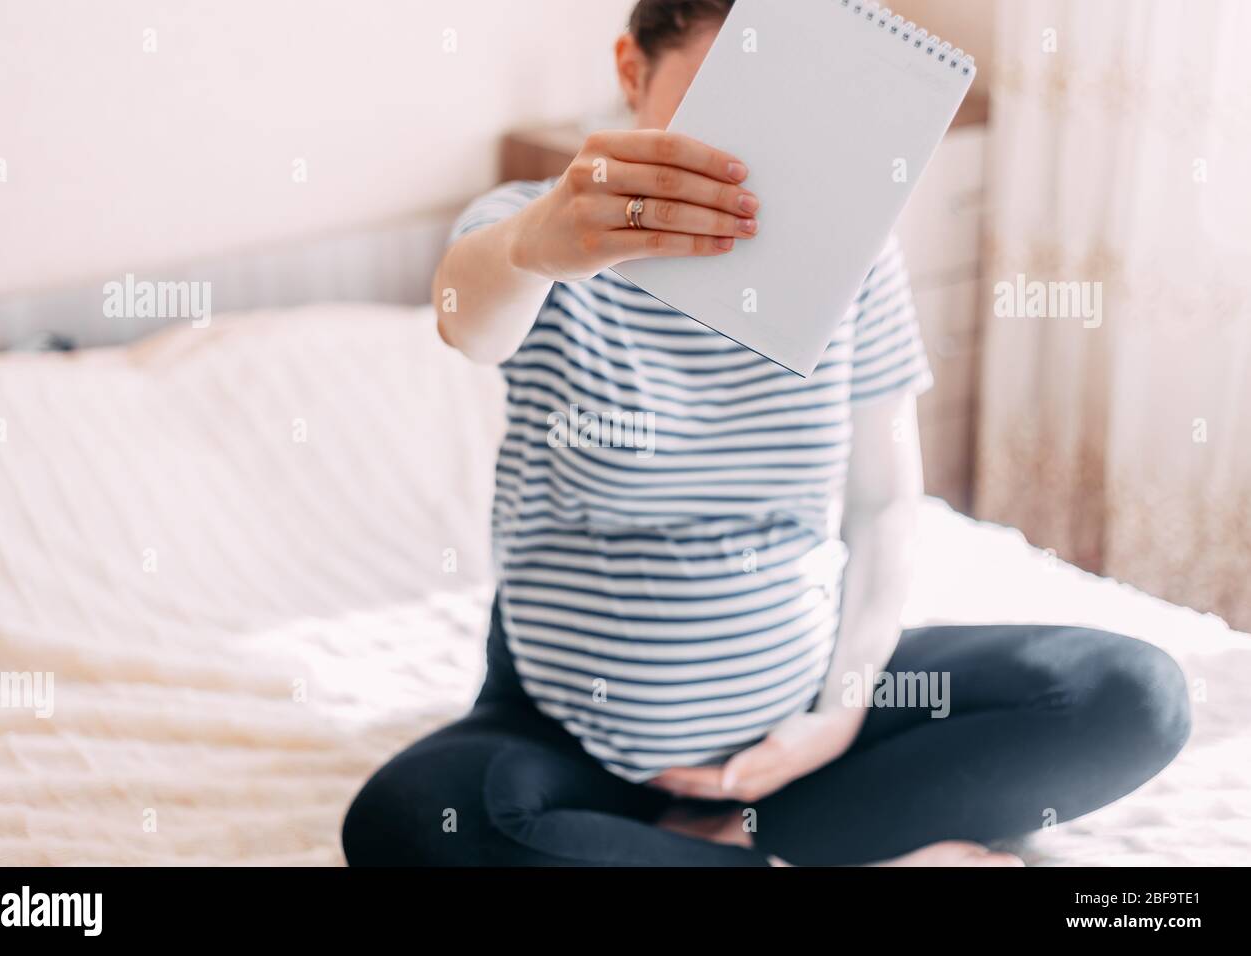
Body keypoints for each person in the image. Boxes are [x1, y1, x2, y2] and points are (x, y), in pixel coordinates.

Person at [342, 0, 1190, 866]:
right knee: (411, 822)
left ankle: (712, 843)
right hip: (569, 738)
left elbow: (886, 503)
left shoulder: (850, 255)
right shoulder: (540, 227)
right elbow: (465, 321)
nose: (738, 151)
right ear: (632, 72)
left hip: (803, 728)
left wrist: (839, 712)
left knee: (1130, 695)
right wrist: (530, 248)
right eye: (716, 100)